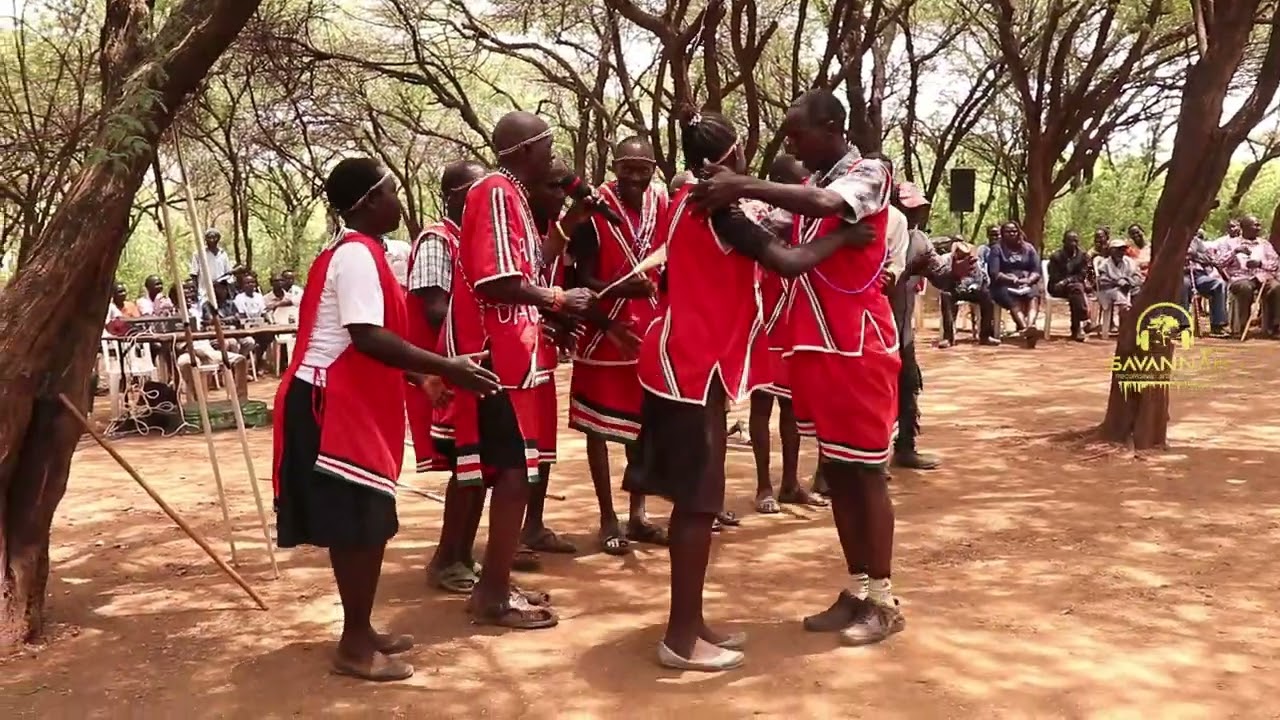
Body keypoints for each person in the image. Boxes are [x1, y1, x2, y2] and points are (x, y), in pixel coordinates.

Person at [633, 106, 875, 671]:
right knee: (698, 503)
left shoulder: (688, 201)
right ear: (733, 157)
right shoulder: (720, 214)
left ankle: (692, 622)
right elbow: (789, 263)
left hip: (688, 359)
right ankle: (680, 638)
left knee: (701, 498)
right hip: (690, 364)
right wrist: (844, 238)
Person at [691, 89, 905, 648]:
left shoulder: (869, 173)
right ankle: (857, 588)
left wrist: (742, 185)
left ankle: (883, 601)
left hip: (858, 346)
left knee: (866, 473)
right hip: (815, 347)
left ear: (832, 126)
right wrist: (721, 201)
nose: (789, 143)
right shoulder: (806, 189)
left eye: (796, 132)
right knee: (839, 471)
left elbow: (831, 207)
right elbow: (775, 228)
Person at [272, 157, 499, 682]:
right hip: (330, 406)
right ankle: (353, 644)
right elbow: (366, 337)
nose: (399, 201)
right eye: (391, 192)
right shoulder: (354, 255)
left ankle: (362, 629)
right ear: (369, 202)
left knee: (365, 520)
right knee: (359, 523)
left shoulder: (362, 253)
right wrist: (447, 367)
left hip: (344, 401)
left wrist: (420, 378)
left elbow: (376, 340)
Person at [443, 111, 594, 629]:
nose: (554, 159)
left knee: (516, 473)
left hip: (514, 357)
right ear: (526, 150)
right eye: (548, 148)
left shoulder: (510, 198)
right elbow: (495, 282)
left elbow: (519, 268)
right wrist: (559, 297)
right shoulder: (496, 193)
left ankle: (497, 583)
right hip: (499, 358)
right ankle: (491, 596)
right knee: (511, 476)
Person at [567, 137, 673, 553]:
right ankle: (608, 517)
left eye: (642, 168)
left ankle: (638, 515)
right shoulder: (594, 211)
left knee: (641, 430)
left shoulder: (660, 207)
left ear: (653, 170)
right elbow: (579, 280)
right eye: (626, 168)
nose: (634, 177)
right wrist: (619, 290)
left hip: (646, 336)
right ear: (614, 167)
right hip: (603, 332)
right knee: (598, 428)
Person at [408, 160, 490, 594]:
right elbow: (436, 309)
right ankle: (446, 558)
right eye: (473, 191)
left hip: (474, 366)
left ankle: (462, 553)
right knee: (466, 467)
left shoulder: (476, 240)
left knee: (479, 467)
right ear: (453, 196)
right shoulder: (438, 242)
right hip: (450, 369)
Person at [746, 152, 824, 513]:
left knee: (791, 407)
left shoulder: (807, 214)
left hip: (794, 319)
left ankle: (790, 483)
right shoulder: (757, 212)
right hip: (764, 317)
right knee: (762, 404)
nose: (803, 187)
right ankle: (764, 485)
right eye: (796, 181)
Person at [888, 181, 942, 470]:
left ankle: (905, 447)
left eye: (920, 210)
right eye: (910, 210)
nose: (915, 216)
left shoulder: (919, 241)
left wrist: (956, 268)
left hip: (902, 333)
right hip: (870, 332)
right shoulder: (876, 235)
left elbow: (941, 274)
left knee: (908, 387)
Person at [1215, 215, 1280, 336]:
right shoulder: (1230, 243)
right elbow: (1219, 262)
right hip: (1240, 278)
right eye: (1255, 225)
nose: (1258, 228)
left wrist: (1260, 264)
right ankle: (1242, 326)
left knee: (1276, 287)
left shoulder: (1265, 244)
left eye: (1259, 225)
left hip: (1262, 277)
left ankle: (1274, 327)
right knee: (1245, 288)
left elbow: (1275, 263)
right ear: (1244, 227)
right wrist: (1235, 252)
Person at [987, 220, 1043, 347]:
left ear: (1019, 232)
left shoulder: (1028, 248)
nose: (1012, 234)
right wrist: (1013, 280)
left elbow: (1036, 271)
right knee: (1013, 300)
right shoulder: (997, 249)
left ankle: (1030, 326)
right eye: (1008, 232)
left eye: (1014, 231)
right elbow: (994, 273)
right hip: (1002, 285)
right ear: (1002, 233)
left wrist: (1028, 280)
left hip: (1025, 283)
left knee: (1033, 294)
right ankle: (1026, 330)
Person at [938, 239, 999, 347]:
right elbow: (940, 278)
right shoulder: (946, 260)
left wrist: (974, 286)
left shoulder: (974, 261)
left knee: (987, 296)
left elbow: (981, 279)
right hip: (954, 289)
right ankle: (948, 338)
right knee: (945, 295)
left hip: (971, 290)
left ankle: (985, 336)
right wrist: (954, 273)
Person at [1182, 229, 1228, 336]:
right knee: (1183, 285)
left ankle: (1218, 325)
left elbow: (1209, 259)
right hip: (1181, 274)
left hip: (1199, 275)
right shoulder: (1171, 242)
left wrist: (1195, 254)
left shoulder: (1197, 242)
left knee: (1218, 284)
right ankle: (1182, 326)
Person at [1048, 230, 1091, 341]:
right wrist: (1067, 281)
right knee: (1077, 289)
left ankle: (1076, 330)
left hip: (1073, 287)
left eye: (1075, 241)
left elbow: (1081, 275)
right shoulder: (1056, 257)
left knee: (1075, 291)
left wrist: (1067, 281)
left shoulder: (1082, 256)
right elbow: (1054, 277)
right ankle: (1083, 321)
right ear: (1063, 241)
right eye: (1070, 241)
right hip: (1057, 287)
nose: (1073, 244)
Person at [1096, 238, 1142, 321]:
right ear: (1111, 251)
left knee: (1138, 293)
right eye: (1118, 250)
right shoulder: (1105, 264)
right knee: (1118, 294)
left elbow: (1137, 276)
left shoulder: (1129, 262)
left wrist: (1129, 281)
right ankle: (1125, 315)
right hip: (1110, 290)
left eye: (1123, 250)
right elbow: (1102, 282)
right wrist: (1117, 282)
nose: (1121, 253)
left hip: (1129, 288)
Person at [190, 229, 234, 301]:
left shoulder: (223, 254)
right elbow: (194, 274)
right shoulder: (198, 254)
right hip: (204, 291)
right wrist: (196, 290)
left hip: (220, 291)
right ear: (205, 239)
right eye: (209, 237)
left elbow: (228, 273)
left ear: (218, 239)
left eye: (214, 237)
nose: (212, 240)